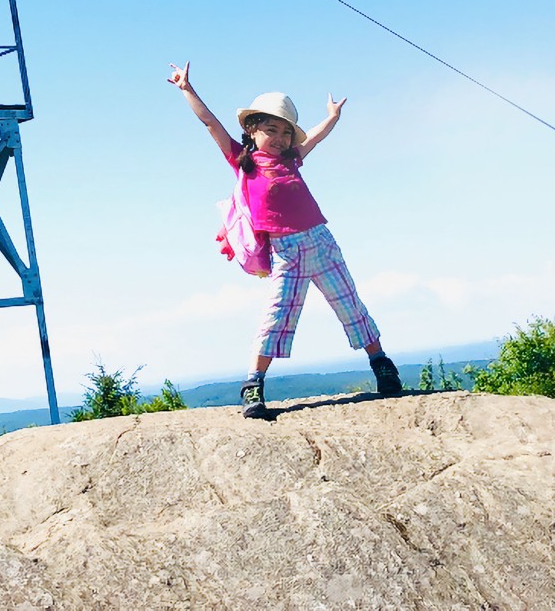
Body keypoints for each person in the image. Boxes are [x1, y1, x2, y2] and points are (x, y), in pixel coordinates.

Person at [168, 62, 402, 418]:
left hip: (321, 242)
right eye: (270, 129)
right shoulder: (243, 161)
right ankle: (253, 385)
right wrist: (187, 89)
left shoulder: (292, 158)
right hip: (286, 251)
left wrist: (333, 118)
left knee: (349, 303)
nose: (279, 138)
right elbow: (210, 123)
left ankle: (381, 364)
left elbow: (316, 137)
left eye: (285, 132)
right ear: (251, 129)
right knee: (277, 315)